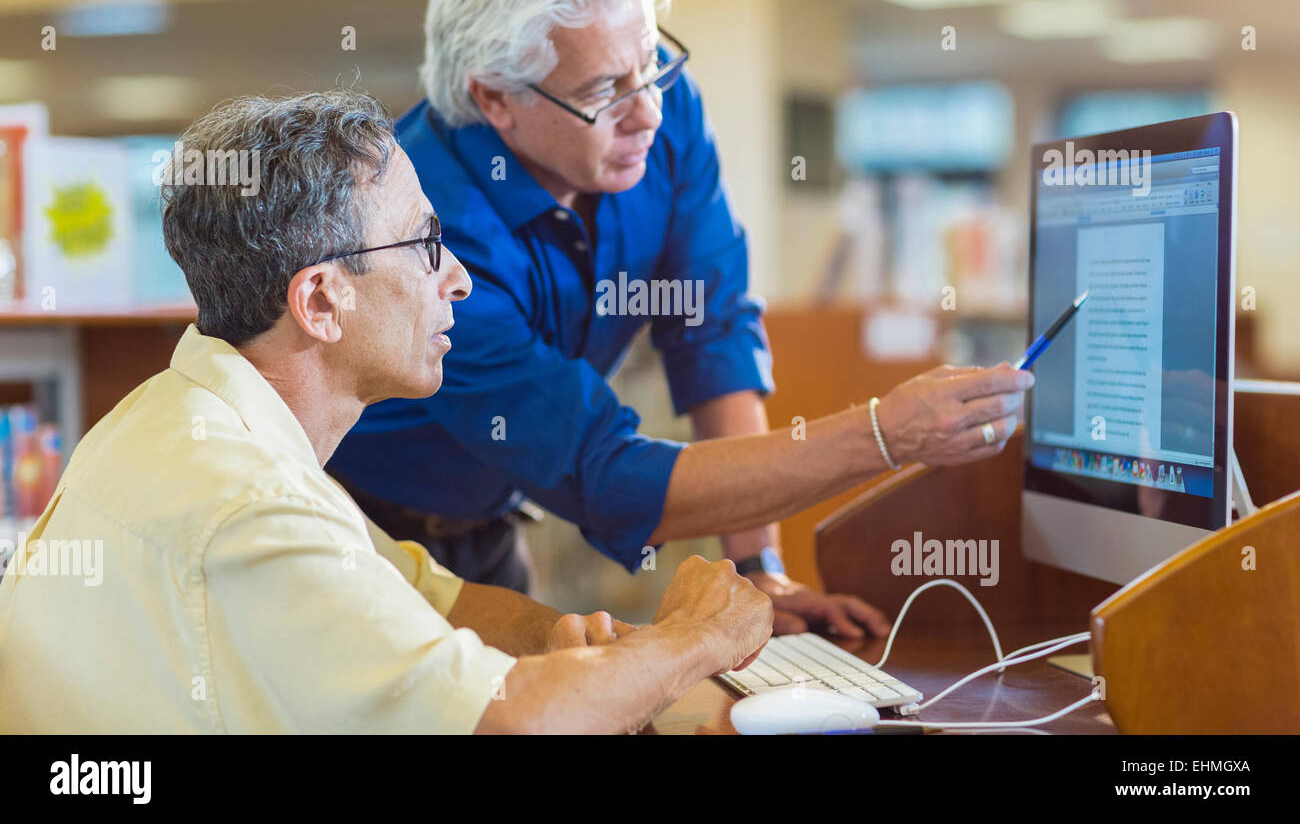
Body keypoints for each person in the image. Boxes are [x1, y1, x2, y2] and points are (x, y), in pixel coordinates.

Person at [328, 0, 1033, 639]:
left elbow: (710, 329)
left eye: (651, 63)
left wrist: (758, 567)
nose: (650, 112)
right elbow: (605, 473)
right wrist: (886, 433)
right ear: (496, 99)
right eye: (606, 88)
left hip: (495, 523)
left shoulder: (661, 107)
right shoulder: (427, 228)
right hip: (364, 535)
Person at [0, 91, 772, 733]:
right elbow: (513, 725)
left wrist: (570, 643)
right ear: (321, 301)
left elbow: (432, 596)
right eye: (425, 244)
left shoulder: (182, 422)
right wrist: (698, 637)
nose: (460, 281)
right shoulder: (248, 505)